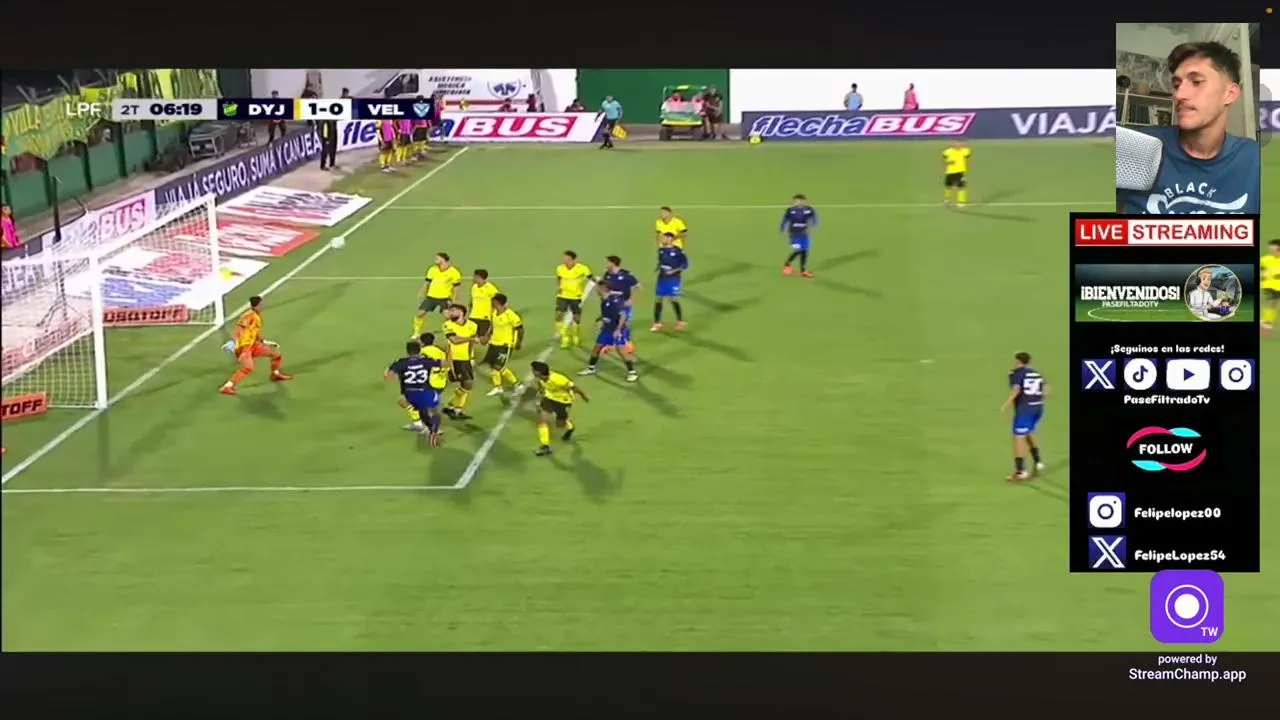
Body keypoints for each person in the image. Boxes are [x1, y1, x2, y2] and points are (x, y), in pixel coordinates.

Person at [1117, 41, 1260, 215]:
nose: (1179, 94)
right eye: (1177, 85)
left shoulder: (1255, 160)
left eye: (1196, 82)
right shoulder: (1140, 147)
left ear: (1229, 94)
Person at [220, 295, 290, 395]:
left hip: (253, 345)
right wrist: (234, 341)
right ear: (256, 305)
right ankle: (227, 387)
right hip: (244, 347)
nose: (262, 306)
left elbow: (254, 332)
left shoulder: (257, 317)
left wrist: (264, 341)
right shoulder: (249, 315)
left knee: (276, 355)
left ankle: (275, 374)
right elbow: (240, 328)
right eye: (261, 304)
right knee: (248, 368)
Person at [386, 340, 444, 445]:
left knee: (418, 409)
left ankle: (425, 427)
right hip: (425, 391)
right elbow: (442, 364)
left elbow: (388, 376)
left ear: (407, 351)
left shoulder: (401, 362)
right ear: (420, 350)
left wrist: (392, 368)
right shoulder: (426, 361)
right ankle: (434, 432)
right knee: (436, 412)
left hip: (409, 394)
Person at [1001, 352, 1047, 482]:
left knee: (1019, 437)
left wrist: (1006, 405)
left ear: (1018, 361)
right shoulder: (1036, 373)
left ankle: (1020, 471)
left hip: (1025, 409)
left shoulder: (1017, 373)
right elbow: (1046, 390)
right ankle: (1038, 461)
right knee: (1029, 432)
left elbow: (1016, 390)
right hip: (1038, 407)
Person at [531, 361, 589, 457]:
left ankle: (570, 427)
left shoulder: (558, 379)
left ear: (539, 372)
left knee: (560, 424)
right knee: (542, 420)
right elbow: (541, 388)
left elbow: (574, 387)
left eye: (533, 370)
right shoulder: (540, 379)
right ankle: (545, 446)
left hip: (563, 402)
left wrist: (583, 396)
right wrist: (539, 399)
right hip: (549, 398)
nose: (532, 372)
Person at [580, 294, 638, 382]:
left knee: (621, 350)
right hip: (606, 330)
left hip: (616, 330)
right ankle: (591, 368)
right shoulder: (604, 303)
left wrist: (618, 329)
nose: (598, 292)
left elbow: (623, 315)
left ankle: (632, 372)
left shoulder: (615, 301)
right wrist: (600, 320)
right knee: (597, 347)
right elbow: (606, 314)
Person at [412, 252, 462, 339]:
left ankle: (449, 333)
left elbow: (456, 288)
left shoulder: (454, 272)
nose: (435, 260)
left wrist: (454, 300)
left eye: (438, 258)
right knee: (420, 314)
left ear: (443, 260)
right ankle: (416, 332)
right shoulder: (432, 269)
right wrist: (422, 292)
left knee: (448, 316)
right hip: (431, 296)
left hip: (445, 298)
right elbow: (427, 282)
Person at [441, 304, 478, 420]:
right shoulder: (447, 325)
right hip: (453, 359)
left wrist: (471, 357)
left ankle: (455, 408)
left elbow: (471, 344)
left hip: (464, 359)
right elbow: (454, 340)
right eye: (450, 311)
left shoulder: (472, 326)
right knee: (448, 384)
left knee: (467, 384)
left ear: (461, 312)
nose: (450, 313)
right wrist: (471, 339)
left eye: (453, 311)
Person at [483, 294, 525, 396]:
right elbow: (492, 326)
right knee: (493, 366)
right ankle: (498, 387)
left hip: (505, 345)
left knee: (498, 366)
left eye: (494, 303)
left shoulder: (510, 315)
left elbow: (520, 329)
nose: (493, 305)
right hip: (493, 343)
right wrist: (487, 336)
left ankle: (517, 384)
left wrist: (518, 342)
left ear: (500, 303)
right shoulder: (494, 313)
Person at [554, 251, 594, 349]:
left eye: (567, 259)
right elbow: (559, 278)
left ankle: (575, 335)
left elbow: (591, 277)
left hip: (576, 297)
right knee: (559, 315)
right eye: (564, 258)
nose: (565, 261)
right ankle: (565, 337)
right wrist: (558, 286)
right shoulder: (560, 268)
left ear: (574, 260)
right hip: (563, 295)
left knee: (576, 317)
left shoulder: (582, 268)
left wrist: (602, 285)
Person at [415, 333, 452, 436]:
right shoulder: (440, 352)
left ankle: (430, 428)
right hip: (440, 382)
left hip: (429, 382)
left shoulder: (423, 352)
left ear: (422, 342)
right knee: (435, 406)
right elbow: (446, 366)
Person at [652, 233, 688, 332]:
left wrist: (673, 271)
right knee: (658, 298)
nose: (663, 239)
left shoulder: (678, 251)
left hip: (673, 278)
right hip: (662, 277)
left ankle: (680, 321)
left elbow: (685, 265)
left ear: (670, 239)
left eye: (665, 238)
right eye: (663, 238)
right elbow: (660, 261)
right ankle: (657, 323)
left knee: (673, 299)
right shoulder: (661, 250)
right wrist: (657, 268)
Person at [780, 194, 818, 277]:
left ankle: (803, 271)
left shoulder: (809, 209)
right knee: (798, 250)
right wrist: (782, 229)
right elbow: (784, 220)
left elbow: (814, 219)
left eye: (800, 201)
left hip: (804, 234)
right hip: (793, 234)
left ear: (804, 201)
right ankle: (787, 264)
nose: (798, 202)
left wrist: (812, 227)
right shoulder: (790, 210)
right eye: (796, 201)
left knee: (804, 251)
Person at [469, 269, 500, 339]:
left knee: (482, 339)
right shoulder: (474, 287)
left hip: (484, 318)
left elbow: (498, 303)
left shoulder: (491, 289)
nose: (473, 278)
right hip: (473, 316)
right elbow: (472, 301)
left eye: (475, 277)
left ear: (481, 278)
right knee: (471, 337)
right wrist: (468, 313)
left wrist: (495, 316)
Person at [942, 140, 971, 208]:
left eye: (959, 143)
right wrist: (948, 161)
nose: (958, 145)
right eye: (956, 143)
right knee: (948, 186)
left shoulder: (965, 151)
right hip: (949, 171)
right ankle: (947, 199)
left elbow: (968, 160)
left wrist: (966, 171)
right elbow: (944, 160)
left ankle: (961, 202)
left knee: (961, 187)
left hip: (959, 172)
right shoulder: (948, 151)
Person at [1262, 239, 1280, 333]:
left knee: (1273, 303)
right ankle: (1267, 322)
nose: (1272, 251)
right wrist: (1263, 274)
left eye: (1274, 249)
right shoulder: (1265, 259)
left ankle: (1268, 321)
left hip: (1277, 286)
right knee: (1271, 302)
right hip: (1269, 285)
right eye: (1271, 249)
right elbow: (1261, 270)